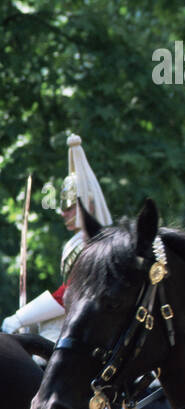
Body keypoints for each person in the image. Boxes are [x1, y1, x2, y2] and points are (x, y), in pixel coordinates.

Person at [4, 134, 113, 340]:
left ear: (87, 205)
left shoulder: (94, 245)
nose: (63, 213)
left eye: (70, 207)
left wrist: (21, 317)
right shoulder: (75, 242)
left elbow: (69, 292)